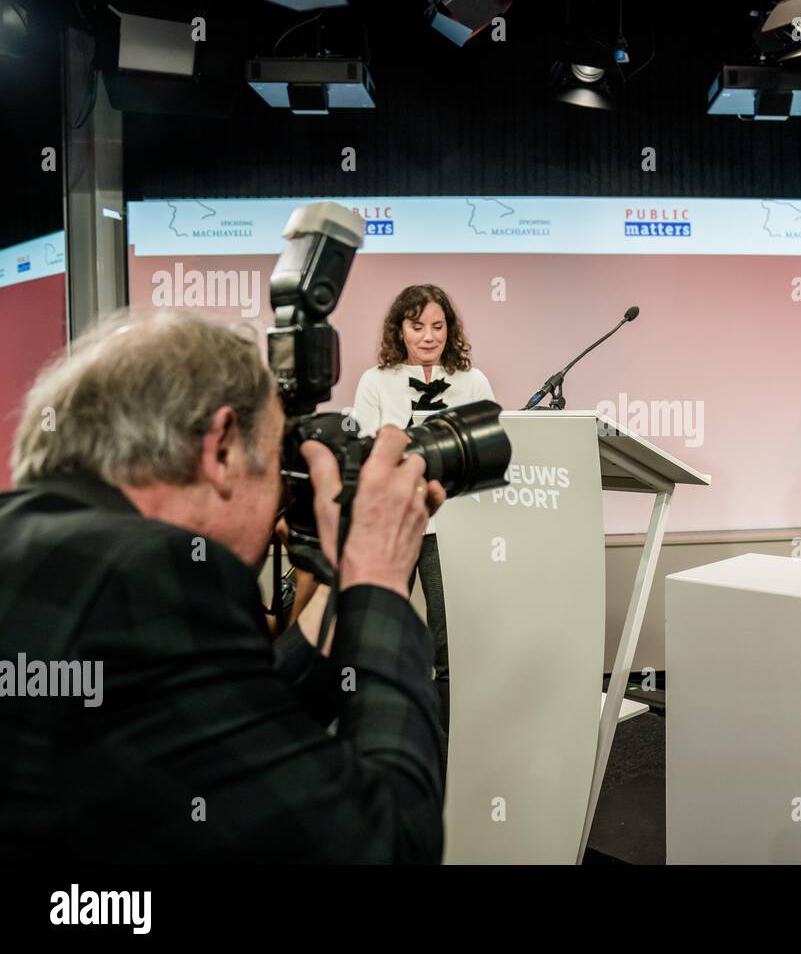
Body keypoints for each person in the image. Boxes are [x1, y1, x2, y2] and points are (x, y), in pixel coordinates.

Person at [0, 313, 447, 862]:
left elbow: (213, 724)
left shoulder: (42, 549)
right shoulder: (144, 575)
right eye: (275, 462)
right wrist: (379, 579)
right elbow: (385, 843)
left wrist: (339, 597)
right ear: (222, 448)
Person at [352, 284, 494, 684]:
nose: (429, 336)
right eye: (417, 327)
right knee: (380, 636)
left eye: (437, 325)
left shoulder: (473, 381)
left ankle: (451, 743)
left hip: (453, 527)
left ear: (450, 329)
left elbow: (489, 454)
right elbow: (365, 451)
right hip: (393, 522)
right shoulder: (375, 381)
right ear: (400, 331)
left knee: (450, 641)